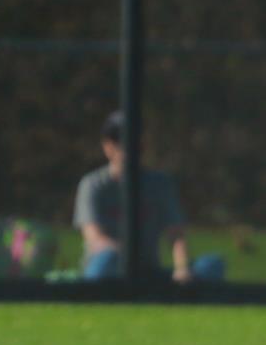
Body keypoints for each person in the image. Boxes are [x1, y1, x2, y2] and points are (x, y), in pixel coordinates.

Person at [73, 111, 224, 283]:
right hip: (110, 270)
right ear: (107, 147)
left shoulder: (160, 183)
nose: (128, 147)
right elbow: (95, 237)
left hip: (148, 272)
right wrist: (126, 257)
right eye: (120, 142)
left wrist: (182, 268)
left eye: (134, 141)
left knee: (212, 265)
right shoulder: (93, 185)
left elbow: (176, 235)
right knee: (106, 260)